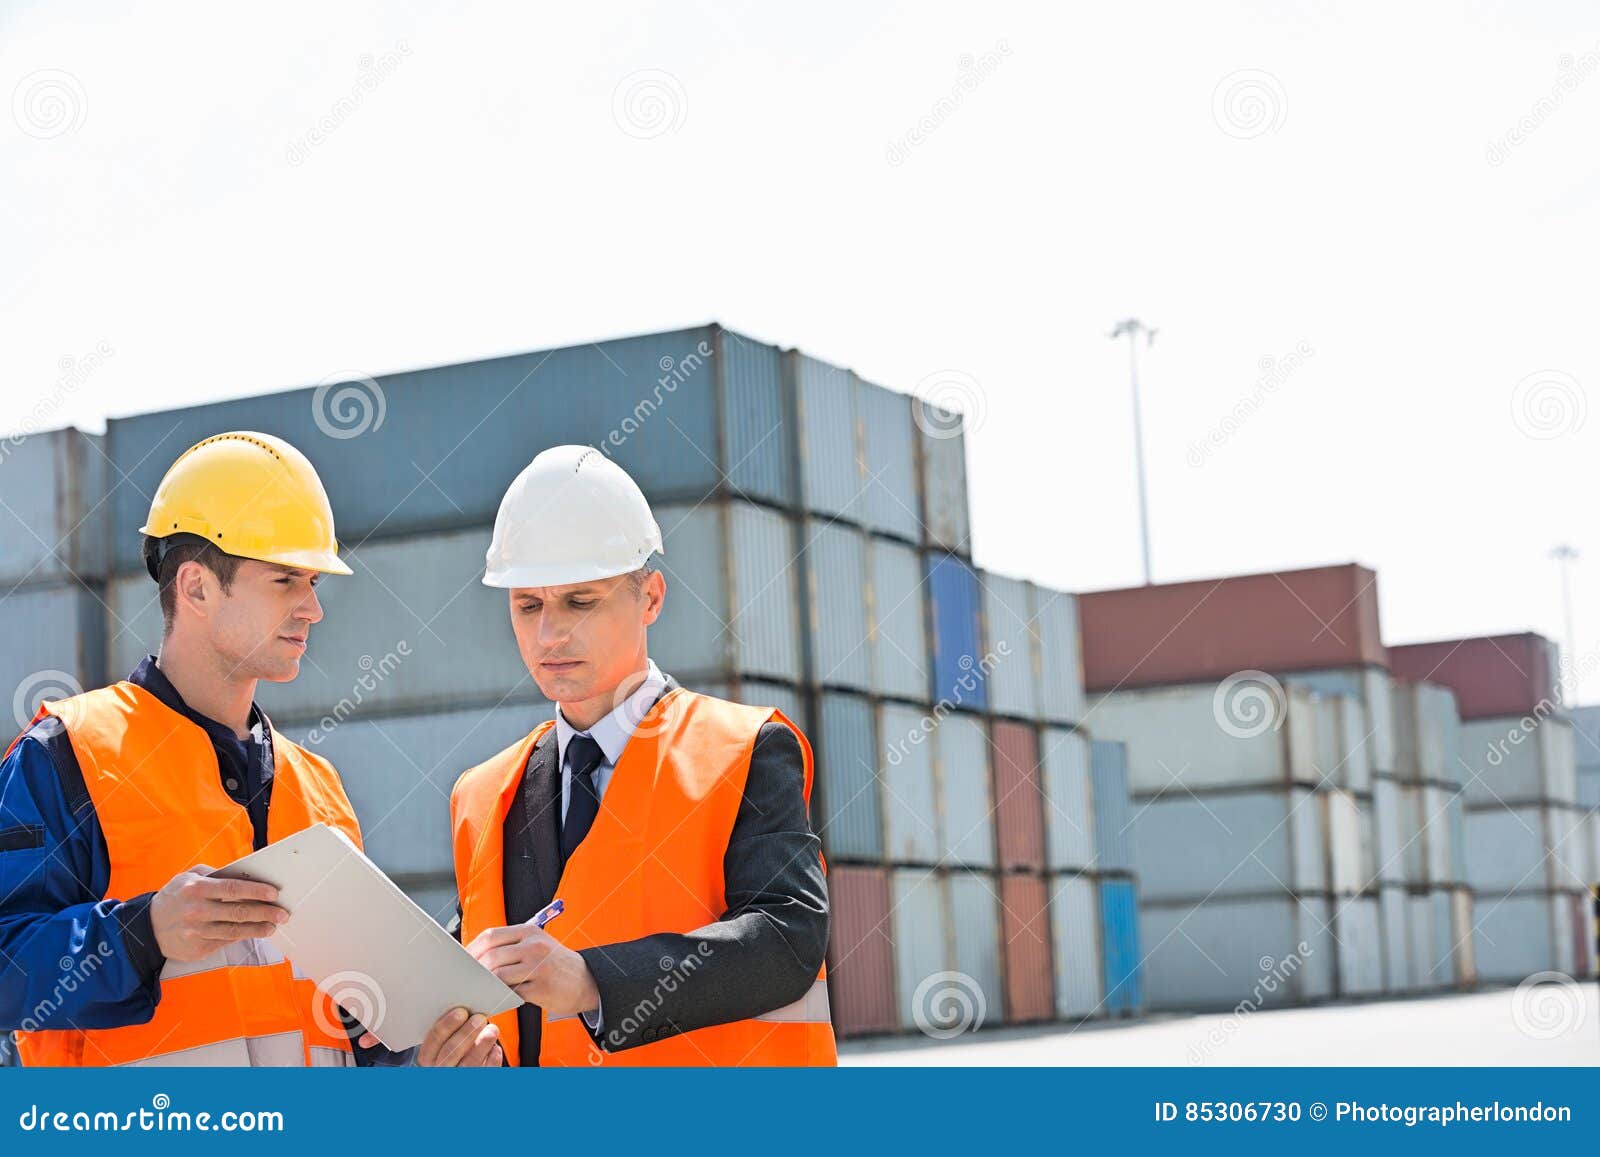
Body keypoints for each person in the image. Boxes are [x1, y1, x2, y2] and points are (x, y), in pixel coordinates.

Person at [380, 445, 836, 1066]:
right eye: (529, 605)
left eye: (579, 600)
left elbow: (789, 940)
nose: (550, 635)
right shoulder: (481, 796)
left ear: (650, 597)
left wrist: (595, 981)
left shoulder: (743, 749)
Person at [0, 431, 406, 1066]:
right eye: (286, 580)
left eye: (312, 582)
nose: (313, 608)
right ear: (194, 588)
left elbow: (351, 1037)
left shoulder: (319, 787)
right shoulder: (68, 754)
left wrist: (415, 1033)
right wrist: (143, 933)